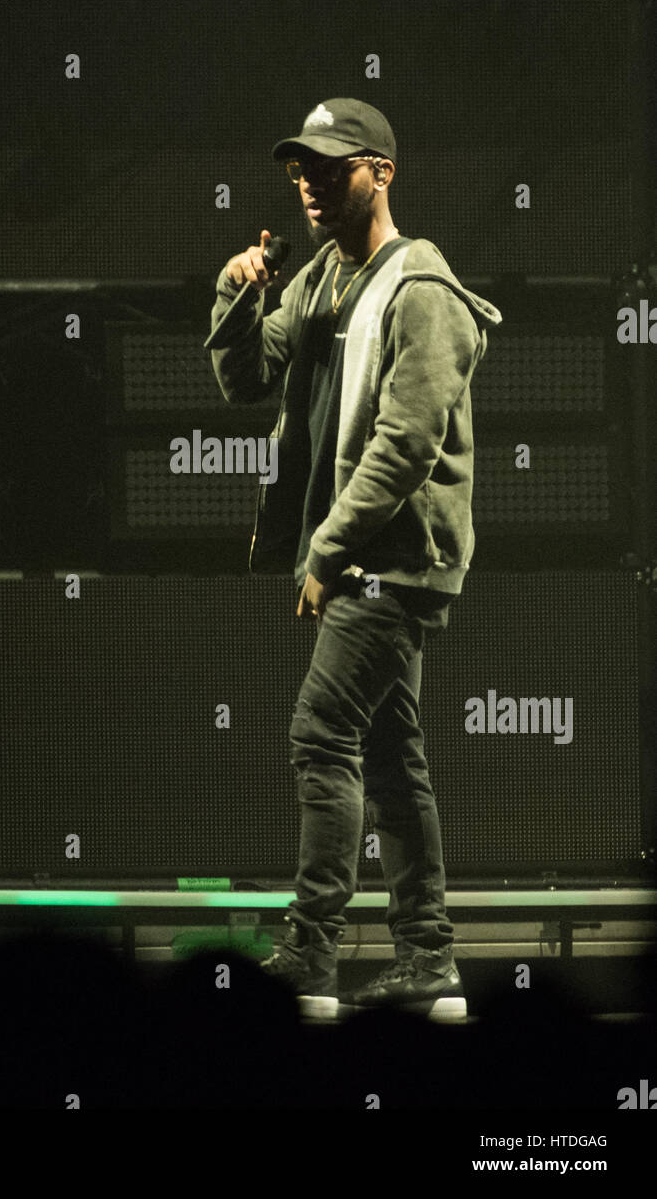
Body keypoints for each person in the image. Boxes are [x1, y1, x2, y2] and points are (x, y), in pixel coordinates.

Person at [208, 99, 502, 1016]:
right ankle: (430, 958)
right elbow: (247, 376)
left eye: (331, 167)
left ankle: (310, 956)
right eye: (301, 168)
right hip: (361, 561)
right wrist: (237, 289)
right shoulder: (322, 279)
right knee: (389, 755)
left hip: (394, 561)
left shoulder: (421, 290)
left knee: (320, 734)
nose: (309, 182)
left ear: (381, 172)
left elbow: (407, 442)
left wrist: (326, 552)